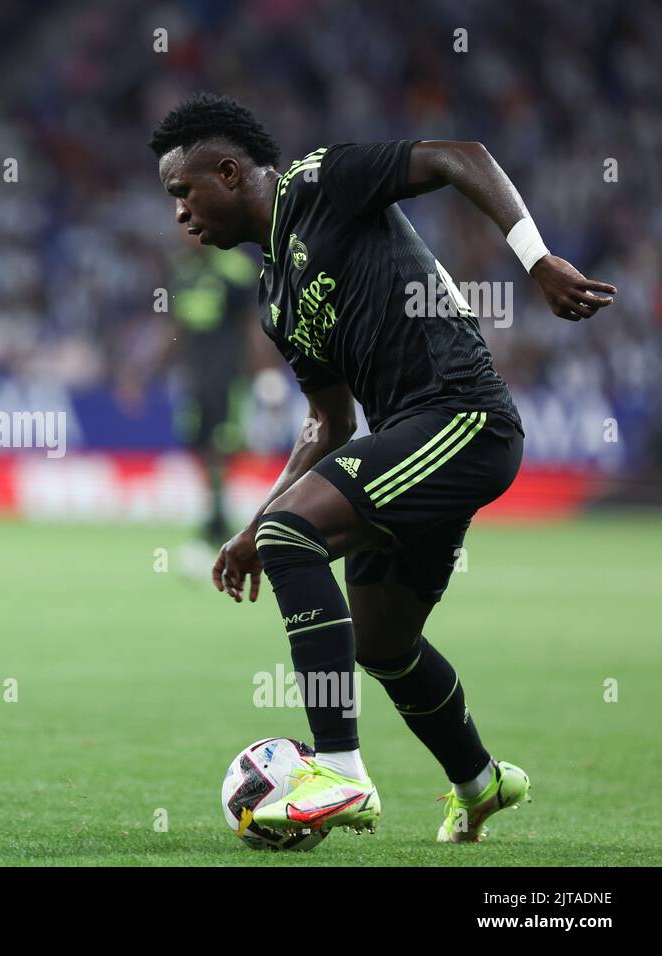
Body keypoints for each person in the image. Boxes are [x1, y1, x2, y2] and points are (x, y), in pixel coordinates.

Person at [149, 93, 615, 842]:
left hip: (463, 417)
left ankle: (339, 771)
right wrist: (256, 524)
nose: (179, 213)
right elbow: (330, 424)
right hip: (411, 440)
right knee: (382, 643)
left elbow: (461, 156)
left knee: (294, 541)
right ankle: (481, 782)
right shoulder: (276, 297)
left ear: (230, 172)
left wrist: (537, 259)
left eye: (183, 191)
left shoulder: (319, 181)